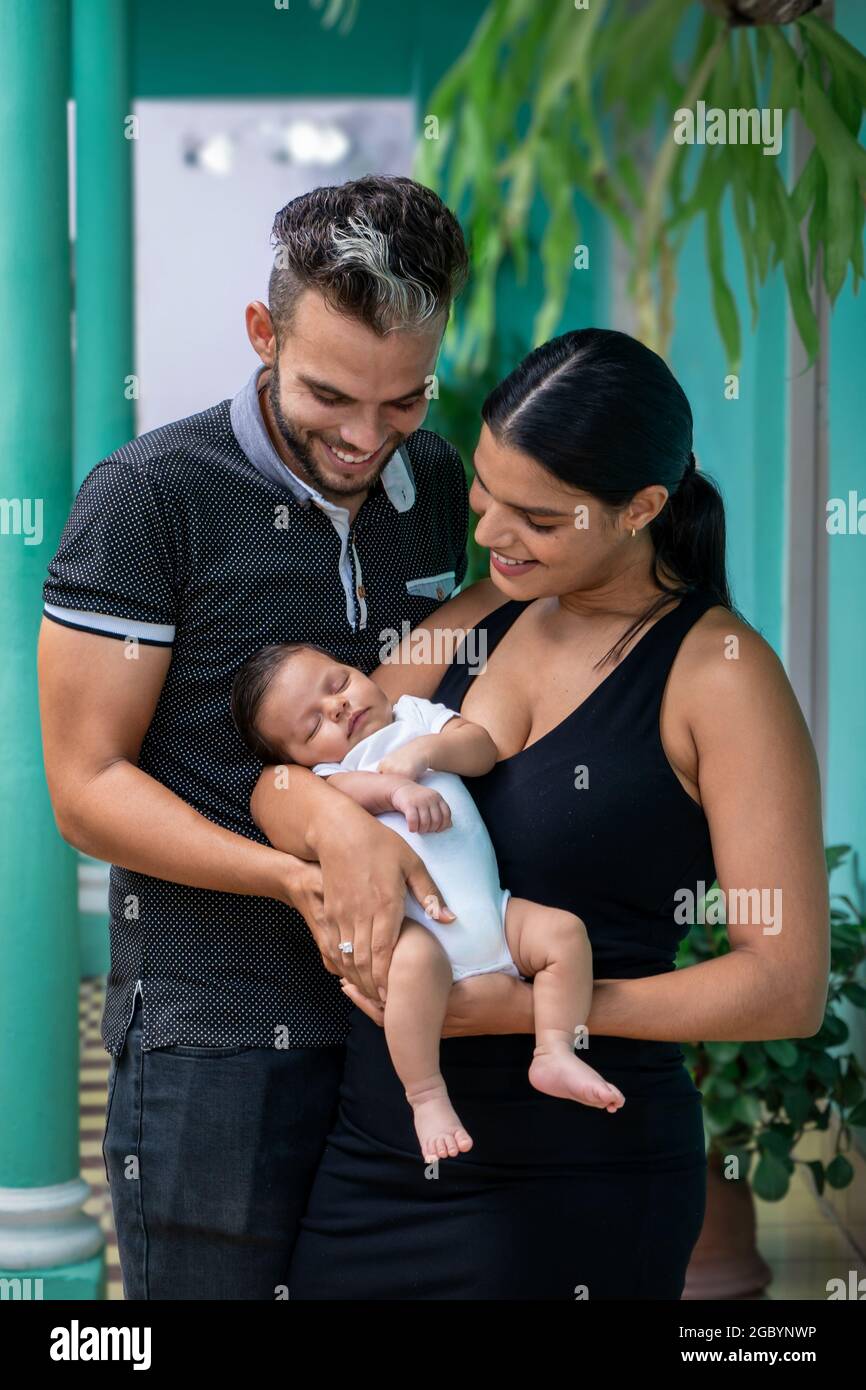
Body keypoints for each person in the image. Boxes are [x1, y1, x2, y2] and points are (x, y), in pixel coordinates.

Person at [251, 327, 830, 1300]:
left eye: (534, 516)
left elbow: (782, 987)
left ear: (640, 507)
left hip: (571, 1185)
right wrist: (334, 828)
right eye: (483, 491)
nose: (487, 533)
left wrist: (524, 1012)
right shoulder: (483, 612)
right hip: (373, 1157)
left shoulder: (716, 675)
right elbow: (291, 771)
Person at [36, 174, 476, 1300]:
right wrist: (298, 875)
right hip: (212, 1038)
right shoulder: (148, 497)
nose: (366, 436)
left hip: (415, 1020)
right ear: (261, 333)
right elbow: (86, 790)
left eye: (404, 399)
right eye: (333, 394)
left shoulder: (437, 482)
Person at [231, 642, 625, 1162]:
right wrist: (395, 790)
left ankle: (553, 1050)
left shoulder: (415, 714)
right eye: (312, 728)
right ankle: (426, 1095)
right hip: (423, 937)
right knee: (413, 965)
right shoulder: (333, 775)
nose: (339, 707)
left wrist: (427, 752)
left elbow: (480, 749)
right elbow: (349, 800)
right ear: (299, 759)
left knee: (563, 934)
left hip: (496, 915)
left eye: (339, 682)